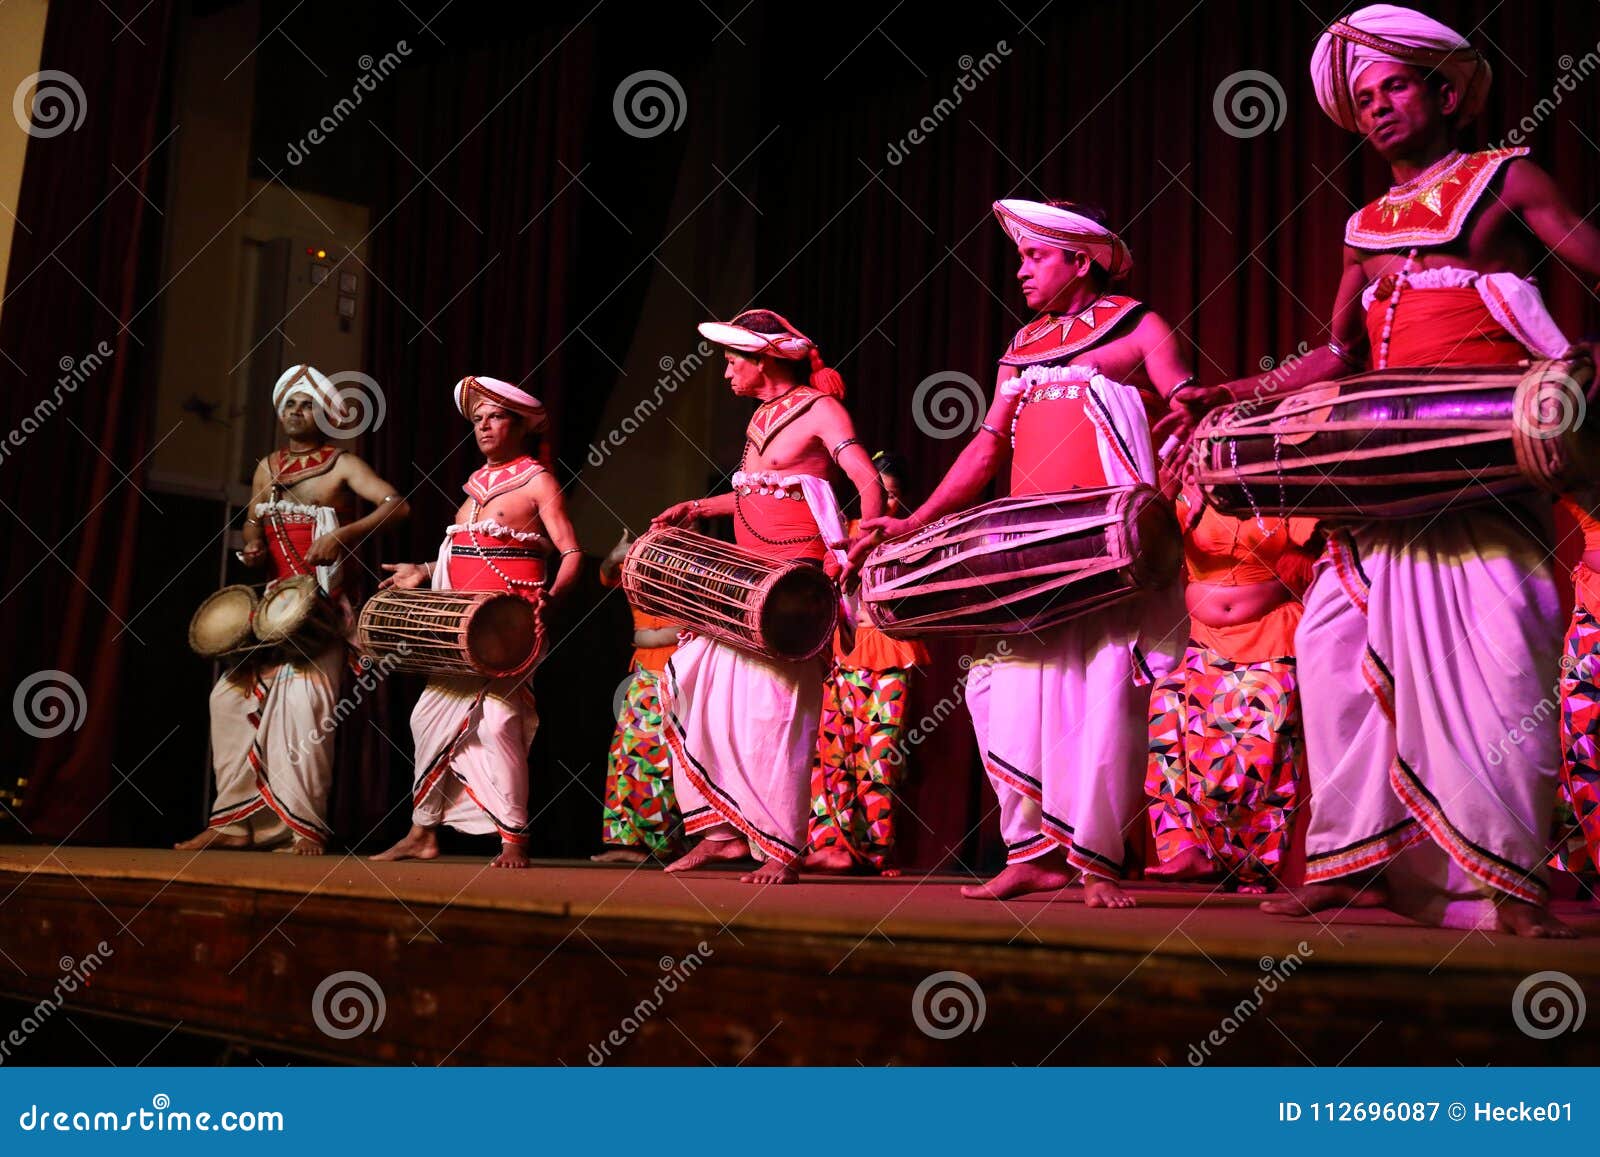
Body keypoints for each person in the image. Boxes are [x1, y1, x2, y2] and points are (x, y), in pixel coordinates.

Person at [1208, 5, 1600, 936]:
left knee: (1501, 671)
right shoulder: (1364, 223)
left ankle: (1505, 879)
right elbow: (1337, 353)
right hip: (1380, 479)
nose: (1378, 107)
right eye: (1362, 97)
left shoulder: (1507, 180)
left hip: (1481, 465)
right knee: (1335, 655)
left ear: (1444, 92)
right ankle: (1354, 863)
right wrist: (1240, 389)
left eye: (1394, 87)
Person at [851, 199, 1193, 906]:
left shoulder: (1138, 326)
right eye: (1021, 257)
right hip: (1025, 552)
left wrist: (1191, 415)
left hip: (1103, 549)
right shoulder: (1021, 345)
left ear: (1080, 258)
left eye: (1035, 256)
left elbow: (1185, 401)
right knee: (1001, 693)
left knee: (1101, 698)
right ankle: (1031, 851)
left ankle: (1097, 862)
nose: (1021, 271)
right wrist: (914, 520)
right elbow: (987, 449)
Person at [654, 310, 883, 885]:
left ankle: (781, 846)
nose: (726, 370)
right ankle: (722, 832)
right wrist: (698, 508)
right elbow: (761, 496)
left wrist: (855, 551)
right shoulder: (762, 416)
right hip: (744, 585)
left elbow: (867, 482)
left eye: (734, 360)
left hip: (793, 591)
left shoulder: (821, 410)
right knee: (692, 685)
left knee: (777, 714)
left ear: (764, 360)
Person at [178, 364, 408, 855]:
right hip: (274, 608)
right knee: (228, 699)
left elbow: (396, 504)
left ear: (324, 411)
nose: (296, 412)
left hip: (321, 606)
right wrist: (254, 545)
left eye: (306, 403)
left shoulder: (342, 464)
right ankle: (234, 823)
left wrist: (343, 534)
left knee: (305, 709)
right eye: (289, 404)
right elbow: (254, 521)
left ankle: (302, 826)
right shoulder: (269, 466)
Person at [371, 376, 581, 869]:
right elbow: (461, 551)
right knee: (426, 719)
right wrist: (422, 571)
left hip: (508, 627)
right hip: (458, 628)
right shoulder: (473, 486)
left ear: (521, 425)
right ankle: (423, 832)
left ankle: (513, 838)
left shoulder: (537, 480)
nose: (485, 426)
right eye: (479, 419)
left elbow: (572, 552)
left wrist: (551, 598)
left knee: (502, 723)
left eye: (496, 417)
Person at [1145, 487, 1320, 893]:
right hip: (1202, 640)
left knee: (1253, 760)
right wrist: (1167, 495)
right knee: (1168, 720)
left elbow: (1315, 549)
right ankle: (1185, 849)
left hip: (1271, 634)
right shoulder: (1191, 491)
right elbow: (1145, 546)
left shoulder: (1279, 485)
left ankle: (1251, 868)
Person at [806, 452, 930, 875]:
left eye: (895, 496)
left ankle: (875, 853)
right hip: (840, 654)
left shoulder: (909, 539)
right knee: (831, 754)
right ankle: (829, 843)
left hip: (888, 652)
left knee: (878, 759)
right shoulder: (839, 534)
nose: (887, 503)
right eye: (880, 492)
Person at [593, 529, 684, 864]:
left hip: (678, 674)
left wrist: (652, 635)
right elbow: (605, 574)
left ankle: (663, 844)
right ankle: (627, 843)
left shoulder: (692, 582)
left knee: (660, 757)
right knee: (626, 754)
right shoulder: (638, 576)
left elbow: (688, 630)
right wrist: (618, 554)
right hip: (644, 675)